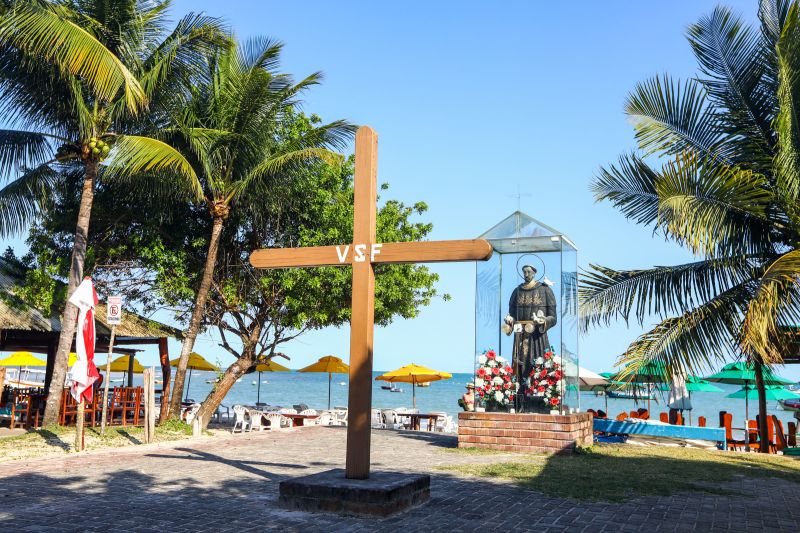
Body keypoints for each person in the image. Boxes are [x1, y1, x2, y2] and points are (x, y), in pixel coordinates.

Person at [503, 264, 557, 411]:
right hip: (520, 336)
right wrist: (509, 320)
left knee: (538, 365)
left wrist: (544, 320)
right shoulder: (517, 292)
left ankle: (539, 402)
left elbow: (554, 317)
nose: (526, 274)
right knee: (519, 367)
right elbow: (511, 315)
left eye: (529, 272)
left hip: (537, 336)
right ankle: (519, 401)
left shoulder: (545, 290)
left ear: (534, 273)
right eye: (524, 272)